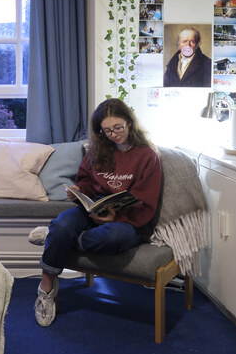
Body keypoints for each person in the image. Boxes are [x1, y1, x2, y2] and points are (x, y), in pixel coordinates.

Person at [35, 98, 163, 327]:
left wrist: (116, 216)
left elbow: (147, 203)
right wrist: (77, 192)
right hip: (94, 207)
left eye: (118, 128)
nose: (113, 135)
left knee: (113, 237)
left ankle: (56, 238)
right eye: (106, 131)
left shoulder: (147, 156)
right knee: (64, 223)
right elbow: (85, 182)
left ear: (129, 123)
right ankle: (46, 289)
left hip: (128, 221)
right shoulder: (98, 150)